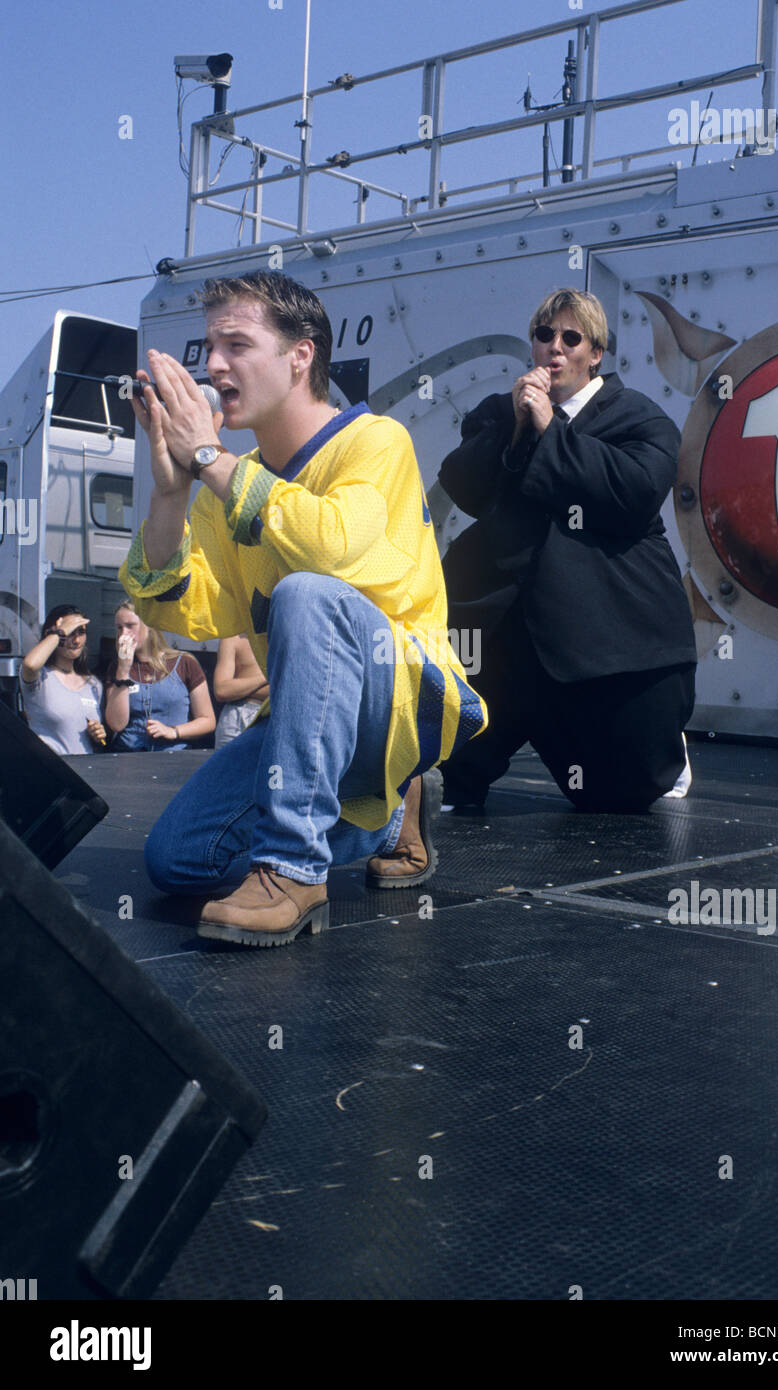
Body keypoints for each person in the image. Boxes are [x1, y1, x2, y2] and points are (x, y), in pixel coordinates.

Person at [119, 270, 486, 947]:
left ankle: (292, 869)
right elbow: (185, 613)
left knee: (307, 591)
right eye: (208, 348)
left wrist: (207, 456)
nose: (215, 365)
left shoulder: (374, 441)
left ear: (300, 355)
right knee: (176, 860)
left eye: (236, 345)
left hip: (395, 696)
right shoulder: (222, 485)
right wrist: (171, 492)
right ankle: (384, 814)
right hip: (301, 715)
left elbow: (333, 550)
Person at [439, 287, 696, 814]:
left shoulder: (639, 419)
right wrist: (514, 427)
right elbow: (464, 487)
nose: (555, 347)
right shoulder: (497, 412)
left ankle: (655, 748)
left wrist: (550, 430)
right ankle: (465, 773)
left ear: (594, 353)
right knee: (455, 781)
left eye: (570, 337)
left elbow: (635, 493)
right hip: (502, 627)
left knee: (619, 795)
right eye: (544, 335)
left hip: (602, 639)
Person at [104, 600, 216, 751]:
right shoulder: (117, 668)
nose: (124, 634)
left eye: (130, 626)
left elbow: (207, 720)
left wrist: (174, 731)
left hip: (172, 755)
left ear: (148, 626)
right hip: (129, 755)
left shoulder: (184, 662)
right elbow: (116, 724)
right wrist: (123, 671)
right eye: (119, 628)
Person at [18, 605, 106, 754]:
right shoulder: (41, 677)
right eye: (71, 633)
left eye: (81, 632)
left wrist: (97, 735)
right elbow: (30, 665)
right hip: (51, 769)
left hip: (84, 771)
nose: (77, 640)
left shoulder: (93, 684)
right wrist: (59, 632)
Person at [213, 634, 269, 748]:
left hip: (272, 715)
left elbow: (287, 691)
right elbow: (222, 690)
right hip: (235, 717)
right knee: (226, 765)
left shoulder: (292, 637)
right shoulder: (232, 638)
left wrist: (239, 689)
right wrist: (267, 676)